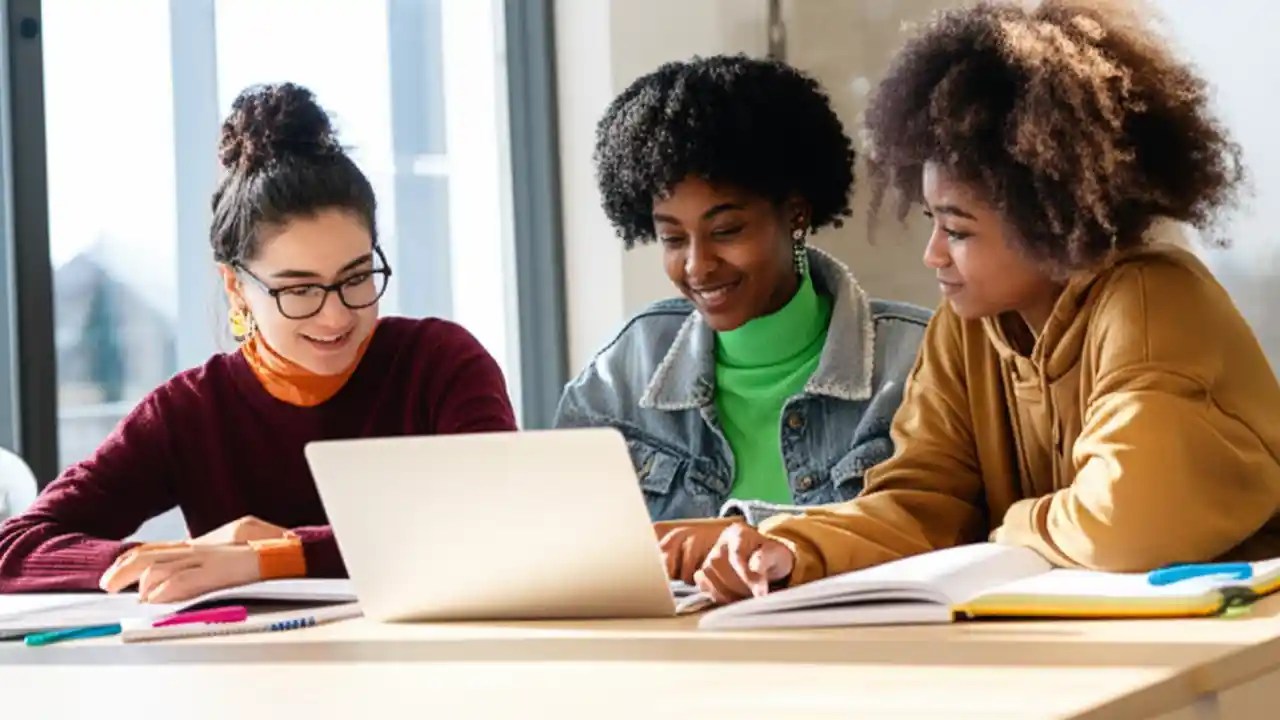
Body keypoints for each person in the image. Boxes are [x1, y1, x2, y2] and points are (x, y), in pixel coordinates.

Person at [687, 0, 1280, 605]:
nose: (933, 254)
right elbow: (920, 504)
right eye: (931, 221)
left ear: (1050, 220)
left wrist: (1007, 527)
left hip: (1234, 649)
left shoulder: (1150, 300)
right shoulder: (966, 327)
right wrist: (792, 549)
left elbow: (1126, 521)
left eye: (959, 231)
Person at [0, 83, 517, 601]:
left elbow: (496, 518)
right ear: (235, 286)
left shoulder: (441, 364)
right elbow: (13, 548)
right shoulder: (189, 412)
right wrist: (148, 560)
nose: (337, 314)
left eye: (356, 276)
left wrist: (268, 560)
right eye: (299, 289)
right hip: (252, 675)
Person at [553, 54, 930, 581]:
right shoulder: (628, 367)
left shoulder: (914, 363)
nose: (697, 265)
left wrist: (765, 536)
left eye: (726, 231)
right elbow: (562, 543)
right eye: (672, 238)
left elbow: (944, 533)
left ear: (796, 214)